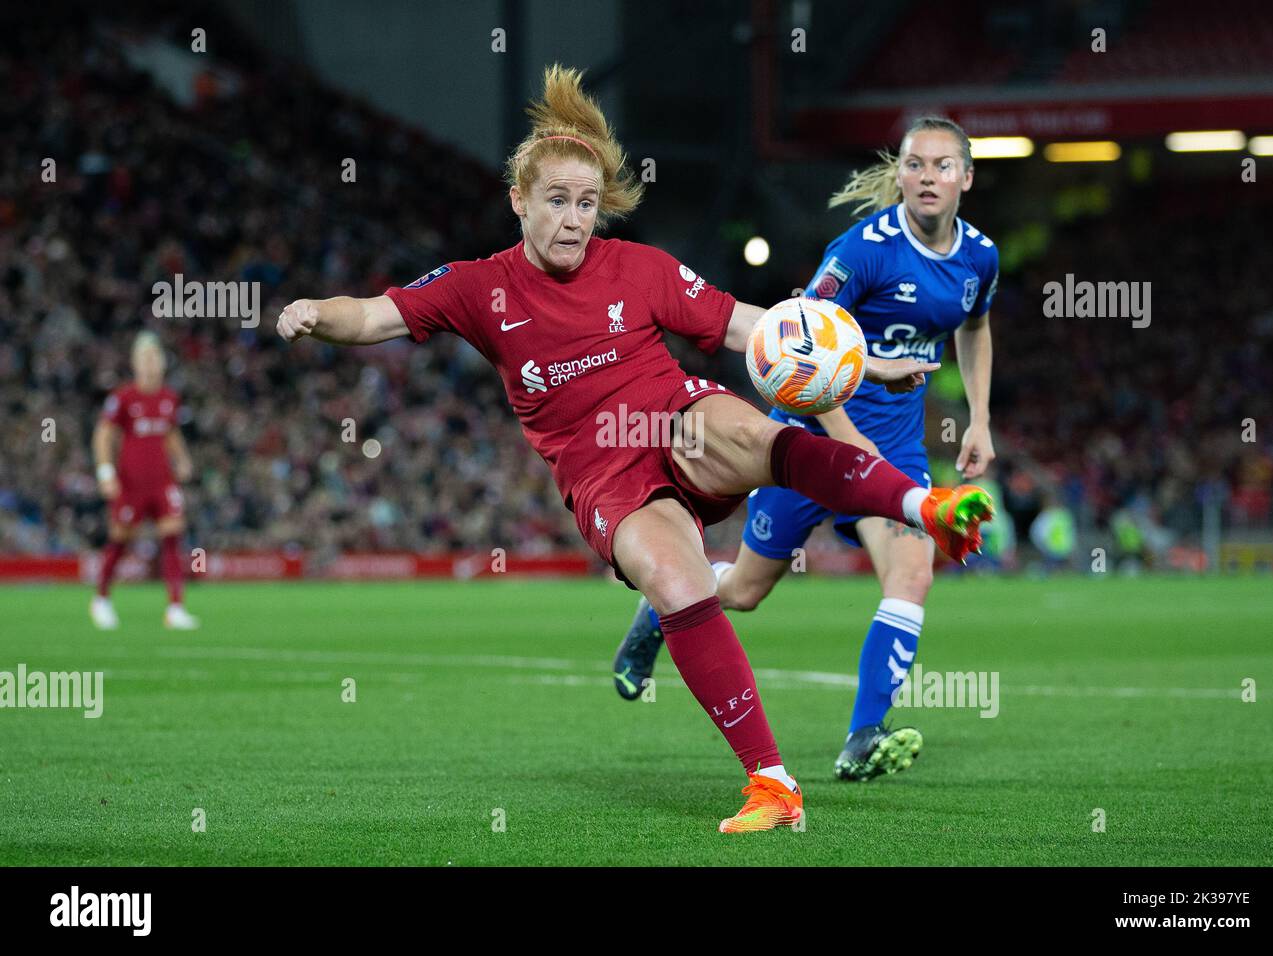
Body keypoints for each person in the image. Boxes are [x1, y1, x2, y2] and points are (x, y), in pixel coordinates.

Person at [275, 68, 991, 832]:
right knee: (679, 582)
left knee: (757, 432)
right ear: (518, 201)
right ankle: (773, 786)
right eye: (557, 202)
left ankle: (927, 504)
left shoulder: (639, 267)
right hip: (603, 473)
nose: (575, 220)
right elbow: (374, 315)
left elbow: (753, 326)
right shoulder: (478, 288)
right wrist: (317, 312)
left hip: (674, 419)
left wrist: (864, 358)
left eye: (587, 203)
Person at [613, 117, 999, 784]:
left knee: (912, 574)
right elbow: (799, 341)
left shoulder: (980, 257)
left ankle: (862, 736)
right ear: (900, 174)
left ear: (966, 177)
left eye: (942, 166)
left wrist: (979, 418)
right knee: (746, 590)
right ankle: (658, 611)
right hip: (809, 440)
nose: (927, 177)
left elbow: (976, 325)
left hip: (899, 445)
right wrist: (851, 453)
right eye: (915, 165)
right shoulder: (862, 251)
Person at [91, 331, 199, 630]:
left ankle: (175, 607)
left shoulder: (169, 398)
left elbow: (170, 433)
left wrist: (183, 460)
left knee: (173, 536)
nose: (151, 364)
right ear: (135, 363)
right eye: (145, 358)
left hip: (162, 481)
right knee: (120, 539)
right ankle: (101, 598)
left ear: (163, 362)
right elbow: (103, 434)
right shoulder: (123, 397)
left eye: (155, 357)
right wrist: (105, 471)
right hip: (131, 482)